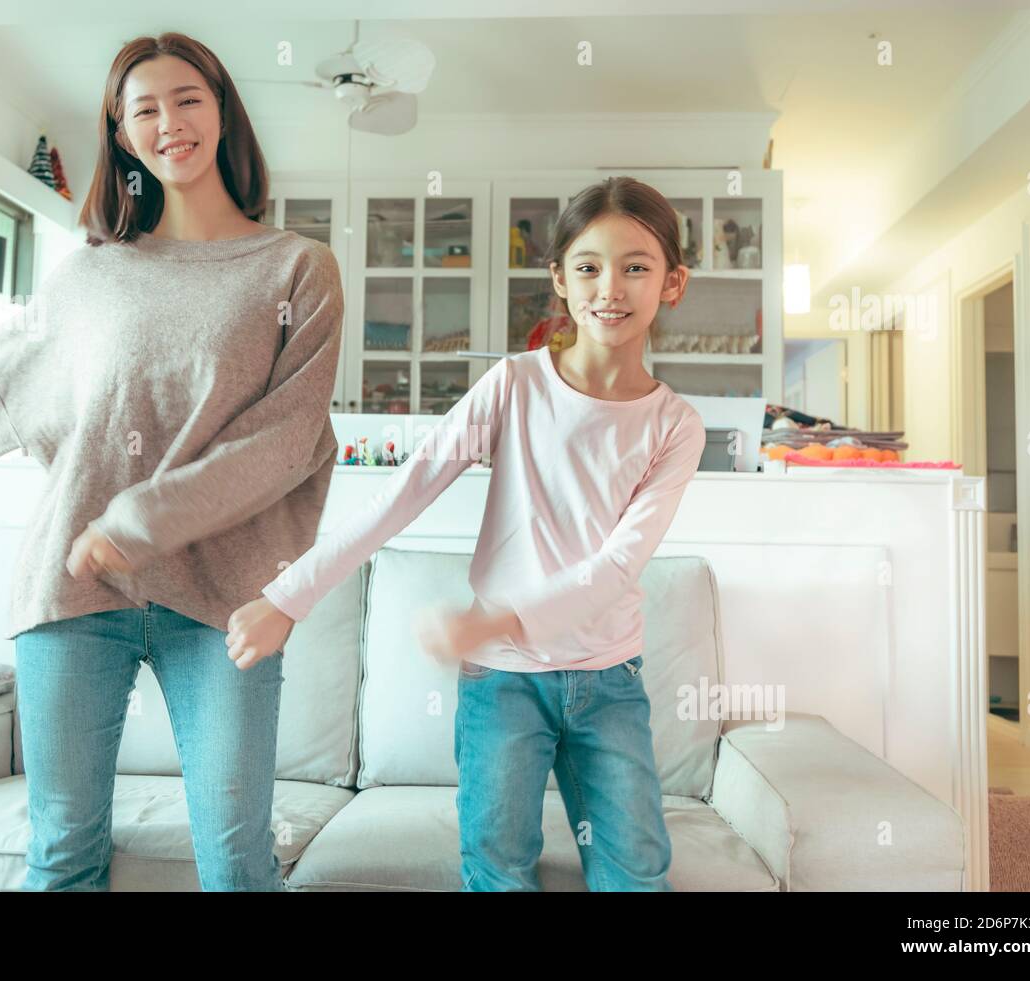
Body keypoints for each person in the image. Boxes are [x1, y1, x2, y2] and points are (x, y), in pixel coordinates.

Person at [0, 32, 344, 892]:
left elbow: (283, 441)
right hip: (75, 586)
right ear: (122, 135)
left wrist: (138, 521)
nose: (170, 122)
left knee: (238, 861)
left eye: (188, 99)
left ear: (224, 110)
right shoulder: (89, 278)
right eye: (144, 109)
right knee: (63, 856)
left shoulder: (297, 268)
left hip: (227, 600)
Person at [227, 176, 707, 891]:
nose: (611, 287)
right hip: (503, 682)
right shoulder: (514, 386)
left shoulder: (675, 425)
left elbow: (618, 566)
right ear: (559, 280)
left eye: (636, 266)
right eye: (589, 266)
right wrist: (288, 596)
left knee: (635, 874)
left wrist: (494, 619)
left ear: (673, 282)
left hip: (609, 680)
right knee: (498, 871)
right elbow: (401, 496)